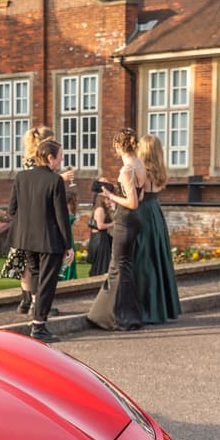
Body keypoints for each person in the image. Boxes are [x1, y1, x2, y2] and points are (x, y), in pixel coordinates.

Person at [2, 126, 75, 313]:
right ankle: (38, 312)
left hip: (24, 233)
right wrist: (68, 244)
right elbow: (57, 210)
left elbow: (12, 208)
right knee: (43, 274)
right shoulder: (49, 176)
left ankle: (32, 305)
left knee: (32, 270)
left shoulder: (23, 173)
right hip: (44, 232)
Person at [87, 128, 145, 332]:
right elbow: (142, 195)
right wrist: (117, 190)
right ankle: (129, 315)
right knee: (125, 267)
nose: (115, 150)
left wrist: (111, 197)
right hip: (136, 221)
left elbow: (133, 202)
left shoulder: (126, 169)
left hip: (125, 220)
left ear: (119, 146)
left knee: (117, 267)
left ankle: (108, 317)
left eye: (115, 146)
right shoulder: (140, 165)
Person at [135, 134, 182, 324]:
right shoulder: (161, 171)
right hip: (156, 214)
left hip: (144, 214)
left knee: (143, 262)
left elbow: (136, 199)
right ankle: (159, 307)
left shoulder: (141, 172)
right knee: (157, 260)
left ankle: (145, 308)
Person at [86, 192, 113, 277]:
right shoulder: (100, 209)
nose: (109, 201)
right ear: (102, 199)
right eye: (107, 199)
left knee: (104, 262)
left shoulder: (103, 209)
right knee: (101, 262)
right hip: (99, 238)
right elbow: (100, 226)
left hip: (102, 237)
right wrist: (113, 223)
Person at [58, 192, 79, 281]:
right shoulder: (65, 208)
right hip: (65, 238)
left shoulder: (66, 208)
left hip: (69, 237)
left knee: (70, 261)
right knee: (66, 261)